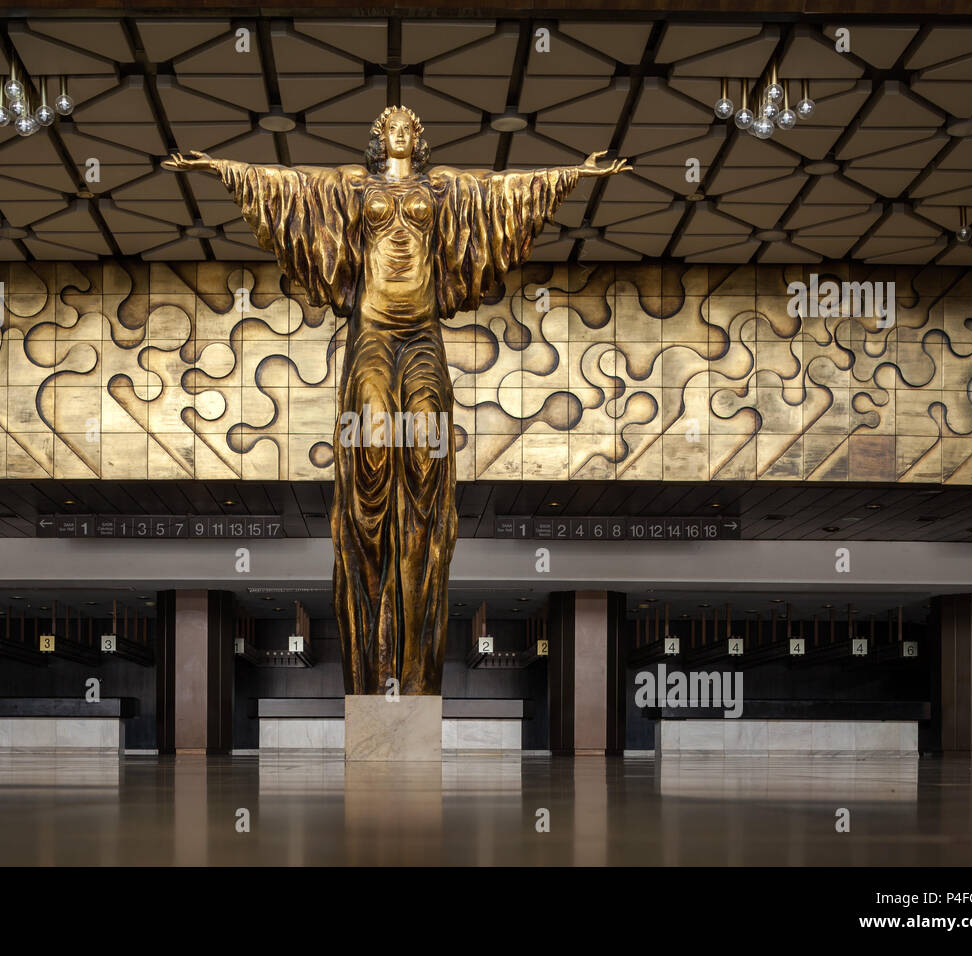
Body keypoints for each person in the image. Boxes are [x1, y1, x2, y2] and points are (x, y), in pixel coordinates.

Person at [163, 106, 631, 695]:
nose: (402, 134)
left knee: (427, 460)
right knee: (375, 448)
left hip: (423, 336)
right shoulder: (355, 189)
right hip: (373, 334)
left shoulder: (442, 190)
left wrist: (574, 176)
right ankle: (373, 599)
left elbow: (505, 190)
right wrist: (221, 167)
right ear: (378, 137)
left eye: (410, 127)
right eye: (392, 128)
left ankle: (416, 626)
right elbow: (289, 184)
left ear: (421, 137)